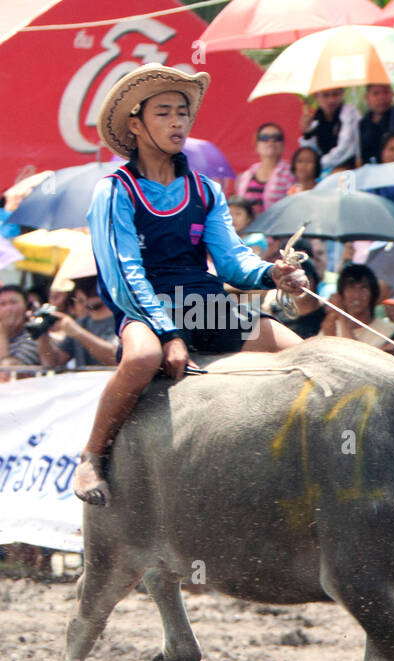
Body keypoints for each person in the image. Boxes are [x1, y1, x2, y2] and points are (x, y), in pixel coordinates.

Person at [74, 64, 307, 504]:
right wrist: (169, 332)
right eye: (163, 113)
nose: (177, 122)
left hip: (204, 302)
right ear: (135, 125)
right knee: (142, 357)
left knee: (307, 353)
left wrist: (271, 274)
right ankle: (92, 455)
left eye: (182, 112)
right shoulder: (114, 190)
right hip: (147, 308)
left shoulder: (205, 190)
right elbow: (125, 274)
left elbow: (233, 260)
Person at [40, 278, 120, 368]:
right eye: (83, 285)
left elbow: (116, 358)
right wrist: (42, 332)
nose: (89, 290)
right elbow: (53, 362)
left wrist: (78, 332)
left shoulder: (120, 322)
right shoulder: (80, 323)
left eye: (94, 283)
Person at [234, 122, 293, 213]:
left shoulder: (291, 173)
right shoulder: (246, 175)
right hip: (250, 226)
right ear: (256, 145)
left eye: (277, 138)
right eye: (264, 138)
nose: (271, 142)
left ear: (283, 144)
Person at [319, 262, 384, 343]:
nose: (357, 295)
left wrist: (342, 316)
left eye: (363, 289)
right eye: (351, 288)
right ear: (341, 294)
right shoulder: (333, 326)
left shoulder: (385, 331)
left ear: (372, 294)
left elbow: (355, 353)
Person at [299, 87, 361, 171]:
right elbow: (310, 150)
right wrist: (307, 133)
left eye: (335, 94)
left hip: (347, 166)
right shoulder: (316, 118)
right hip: (323, 168)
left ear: (342, 94)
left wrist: (317, 164)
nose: (331, 100)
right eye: (325, 95)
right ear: (316, 96)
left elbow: (344, 149)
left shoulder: (350, 114)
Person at [0, 284, 45, 380]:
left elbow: (8, 375)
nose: (8, 309)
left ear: (25, 306)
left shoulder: (32, 338)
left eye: (13, 303)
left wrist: (2, 334)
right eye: (3, 304)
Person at [359, 84, 394, 164]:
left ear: (392, 95)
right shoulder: (362, 123)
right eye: (376, 93)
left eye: (386, 92)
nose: (381, 97)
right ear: (367, 98)